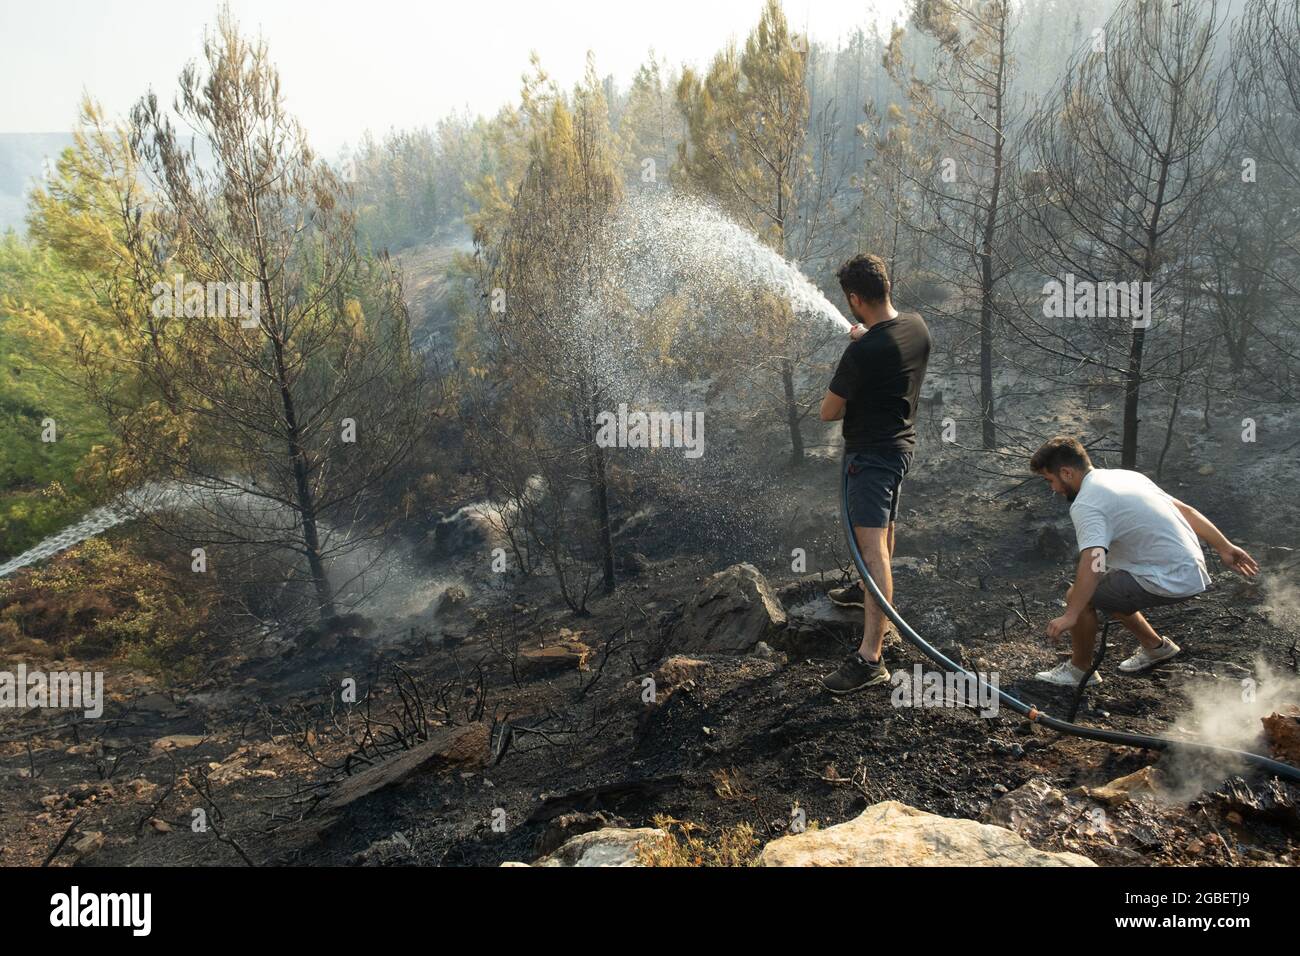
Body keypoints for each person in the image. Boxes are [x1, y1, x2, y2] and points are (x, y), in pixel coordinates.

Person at [1028, 436, 1260, 686]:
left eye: (1050, 480)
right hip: (1190, 569)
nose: (1053, 489)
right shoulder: (1126, 477)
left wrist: (1071, 613)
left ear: (1066, 472)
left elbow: (1093, 560)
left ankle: (1079, 671)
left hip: (1167, 578)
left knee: (1079, 595)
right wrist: (1224, 546)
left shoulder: (1087, 502)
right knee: (1109, 586)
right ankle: (1155, 647)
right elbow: (1185, 510)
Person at [819, 253, 932, 694]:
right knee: (882, 535)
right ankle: (871, 591)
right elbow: (890, 352)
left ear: (853, 298)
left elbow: (828, 411)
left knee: (872, 550)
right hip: (900, 448)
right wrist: (865, 341)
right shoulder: (917, 327)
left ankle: (871, 659)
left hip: (869, 457)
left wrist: (856, 351)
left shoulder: (862, 352)